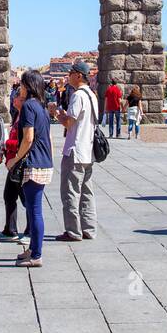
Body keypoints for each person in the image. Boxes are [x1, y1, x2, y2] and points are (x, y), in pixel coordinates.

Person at [5, 69, 54, 267]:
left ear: (29, 86)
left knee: (34, 211)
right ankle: (33, 249)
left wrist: (15, 159)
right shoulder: (41, 107)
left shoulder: (27, 107)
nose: (20, 88)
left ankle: (36, 255)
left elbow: (28, 138)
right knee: (34, 209)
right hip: (44, 162)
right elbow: (48, 138)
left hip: (33, 163)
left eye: (22, 85)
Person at [52, 58, 97, 242]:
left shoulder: (78, 96)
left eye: (70, 73)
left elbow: (69, 123)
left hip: (75, 151)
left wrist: (56, 112)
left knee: (70, 192)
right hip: (89, 151)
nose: (68, 76)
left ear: (79, 75)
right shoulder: (92, 96)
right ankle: (89, 228)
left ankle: (73, 231)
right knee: (87, 193)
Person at [0, 87, 27, 242]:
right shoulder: (17, 114)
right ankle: (10, 230)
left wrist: (8, 143)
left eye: (15, 98)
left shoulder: (25, 116)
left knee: (26, 198)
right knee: (9, 195)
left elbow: (26, 140)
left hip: (19, 161)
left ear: (21, 100)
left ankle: (30, 231)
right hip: (12, 163)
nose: (12, 100)